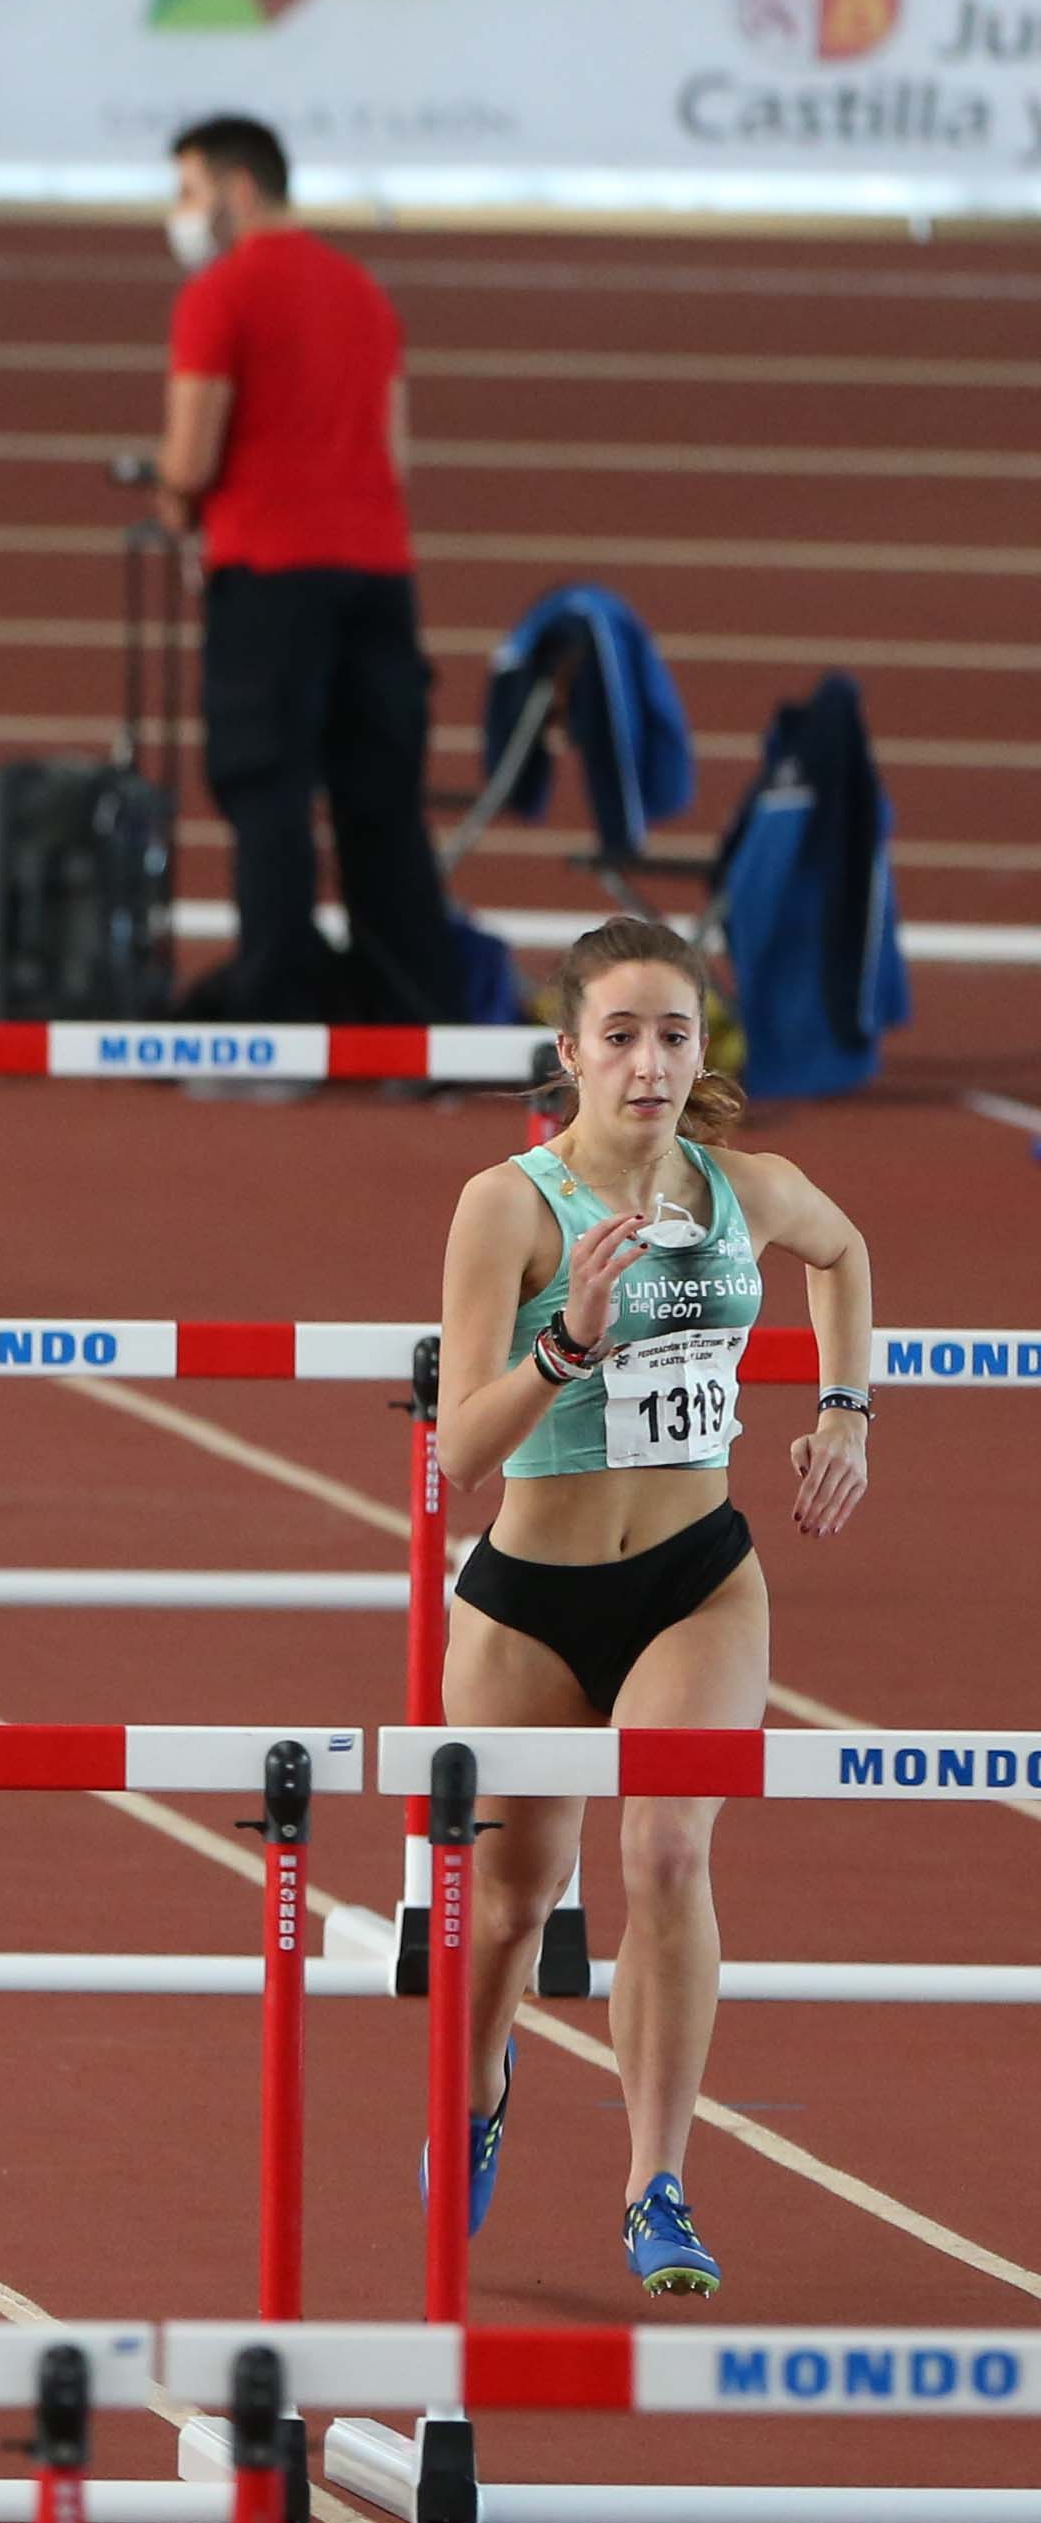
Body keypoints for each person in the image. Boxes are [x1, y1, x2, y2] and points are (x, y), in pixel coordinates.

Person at [428, 918, 871, 2296]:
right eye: (618, 1036)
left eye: (673, 1034)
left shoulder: (747, 1188)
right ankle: (482, 2086)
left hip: (695, 1581)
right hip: (531, 1603)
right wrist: (567, 1341)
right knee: (508, 1906)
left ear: (700, 1050)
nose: (648, 1063)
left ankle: (655, 2184)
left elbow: (844, 1250)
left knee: (669, 1855)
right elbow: (454, 1453)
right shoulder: (509, 1205)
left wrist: (845, 1409)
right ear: (570, 1054)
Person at [153, 111, 472, 1026]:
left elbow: (190, 456)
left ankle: (276, 1017)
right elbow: (393, 450)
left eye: (189, 190)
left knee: (270, 798)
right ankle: (422, 1018)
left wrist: (174, 502)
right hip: (378, 574)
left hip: (270, 575)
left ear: (238, 189)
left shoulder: (221, 294)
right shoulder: (364, 293)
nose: (180, 214)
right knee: (381, 801)